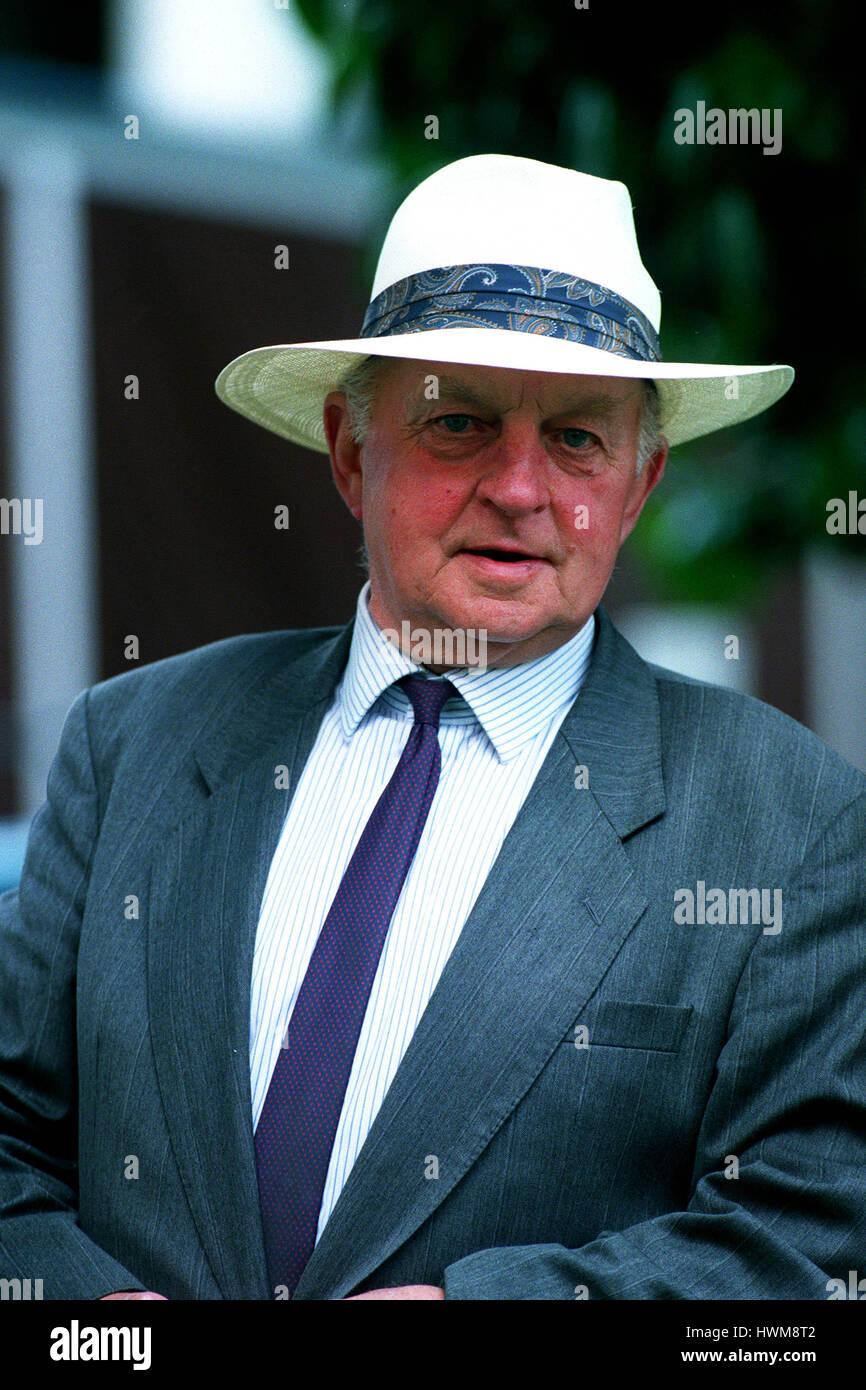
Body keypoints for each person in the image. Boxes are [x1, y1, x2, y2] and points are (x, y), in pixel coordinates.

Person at [1, 154, 864, 1302]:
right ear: (353, 455)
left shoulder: (788, 817)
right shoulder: (134, 741)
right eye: (457, 421)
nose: (517, 486)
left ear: (640, 482)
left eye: (576, 439)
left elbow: (805, 1246)